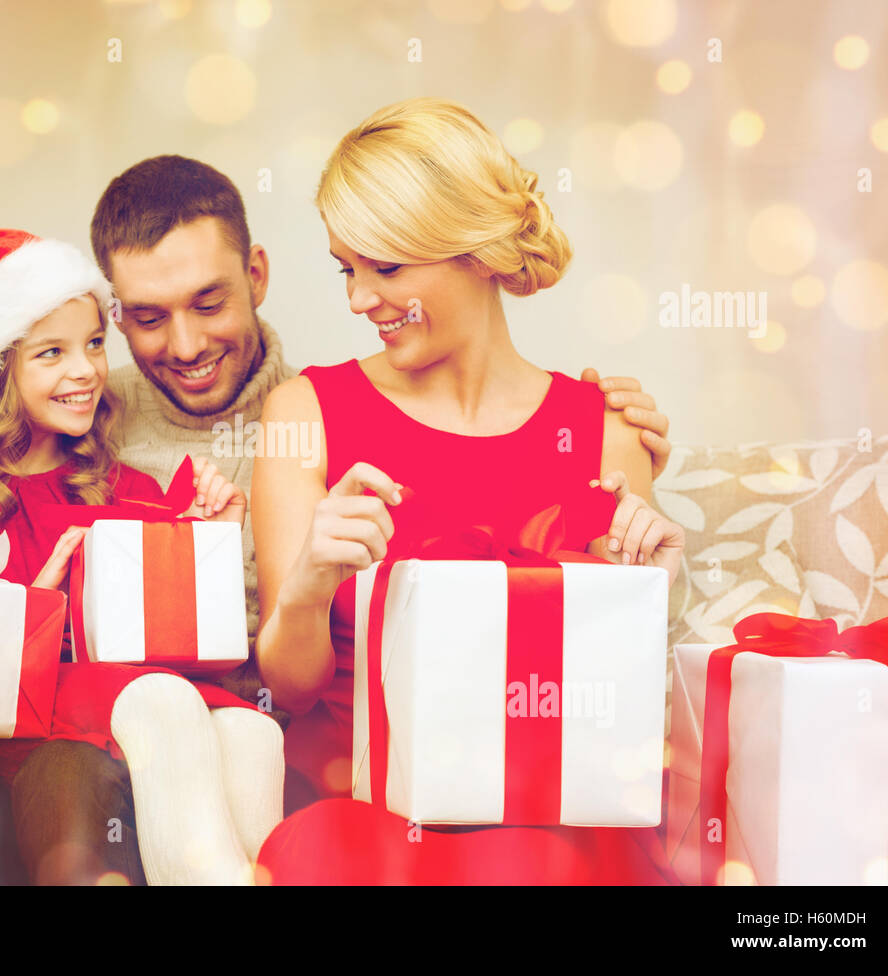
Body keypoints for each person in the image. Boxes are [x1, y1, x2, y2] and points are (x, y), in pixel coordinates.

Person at [0, 155, 677, 884]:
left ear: (256, 275)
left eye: (208, 303)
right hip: (83, 724)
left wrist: (608, 473)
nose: (181, 346)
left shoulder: (321, 412)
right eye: (143, 319)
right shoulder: (78, 410)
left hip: (241, 743)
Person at [251, 97, 685, 883]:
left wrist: (658, 577)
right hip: (367, 807)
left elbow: (608, 683)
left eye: (386, 267)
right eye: (346, 269)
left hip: (541, 808)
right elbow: (289, 684)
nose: (356, 300)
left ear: (478, 252)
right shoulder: (304, 411)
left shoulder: (605, 428)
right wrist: (310, 587)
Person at [0, 228, 282, 885]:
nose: (87, 369)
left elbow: (171, 666)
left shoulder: (131, 493)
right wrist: (27, 609)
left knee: (73, 771)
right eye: (52, 353)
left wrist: (208, 550)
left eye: (94, 343)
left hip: (69, 766)